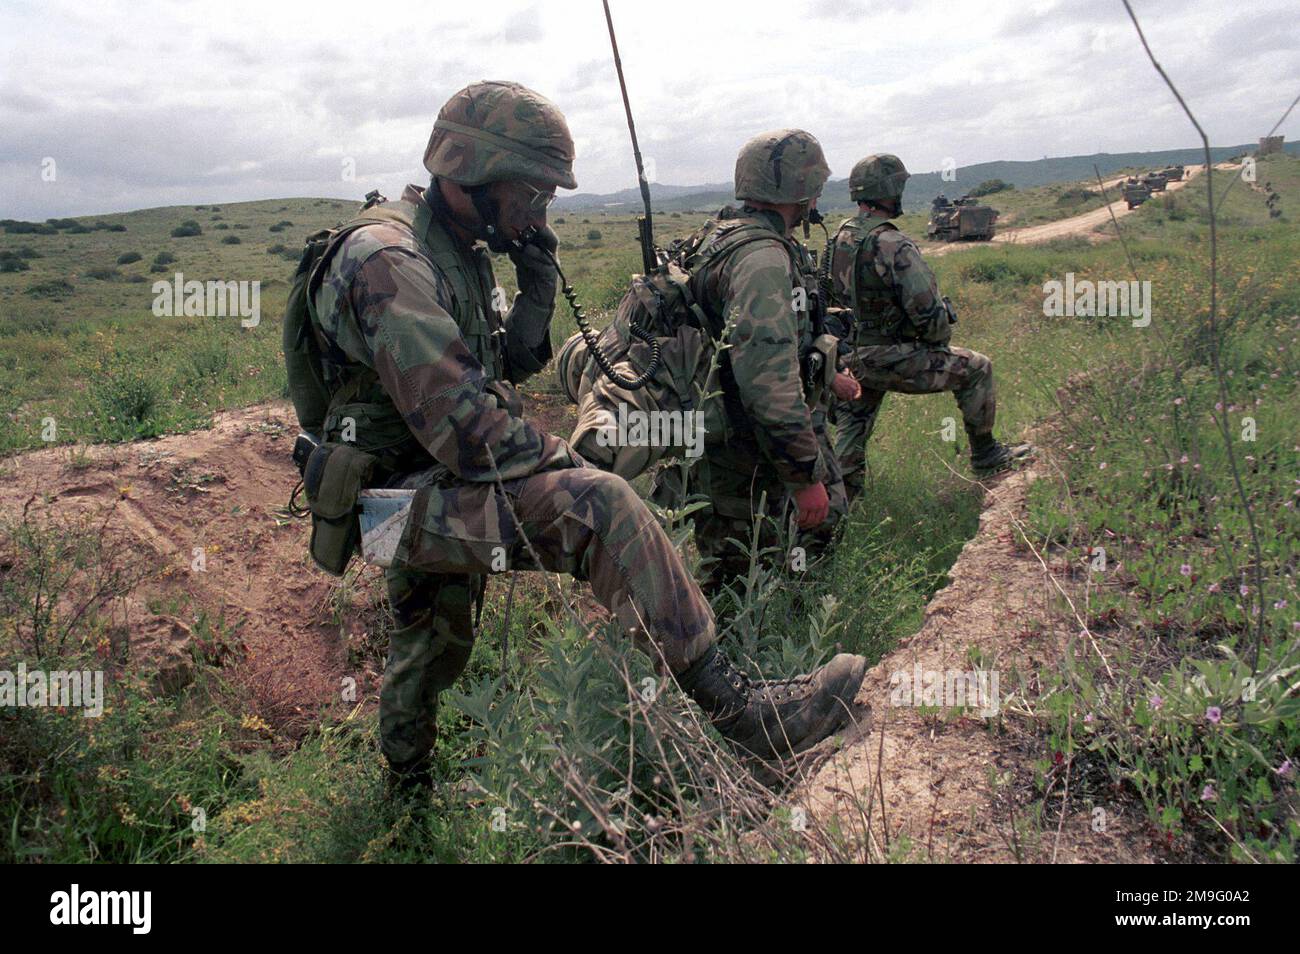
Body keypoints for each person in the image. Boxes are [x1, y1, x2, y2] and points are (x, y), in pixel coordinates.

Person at [295, 82, 867, 787]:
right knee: (601, 505)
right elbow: (471, 432)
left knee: (431, 640)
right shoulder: (389, 259)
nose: (541, 211)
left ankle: (404, 791)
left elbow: (496, 367)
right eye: (534, 193)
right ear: (479, 171)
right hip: (381, 506)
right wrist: (569, 462)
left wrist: (537, 288)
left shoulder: (454, 245)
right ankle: (742, 715)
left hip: (420, 481)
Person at [653, 129, 859, 597]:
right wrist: (802, 476)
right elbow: (767, 380)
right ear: (800, 190)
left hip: (748, 434)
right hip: (741, 448)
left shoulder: (725, 236)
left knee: (807, 534)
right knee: (736, 579)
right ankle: (733, 639)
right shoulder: (762, 259)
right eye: (815, 187)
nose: (817, 198)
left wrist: (829, 371)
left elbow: (784, 338)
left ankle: (793, 614)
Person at [827, 153, 1032, 500]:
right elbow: (929, 313)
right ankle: (986, 455)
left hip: (851, 357)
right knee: (978, 368)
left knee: (854, 422)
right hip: (891, 356)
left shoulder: (840, 237)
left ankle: (841, 499)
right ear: (891, 191)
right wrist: (934, 339)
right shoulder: (894, 244)